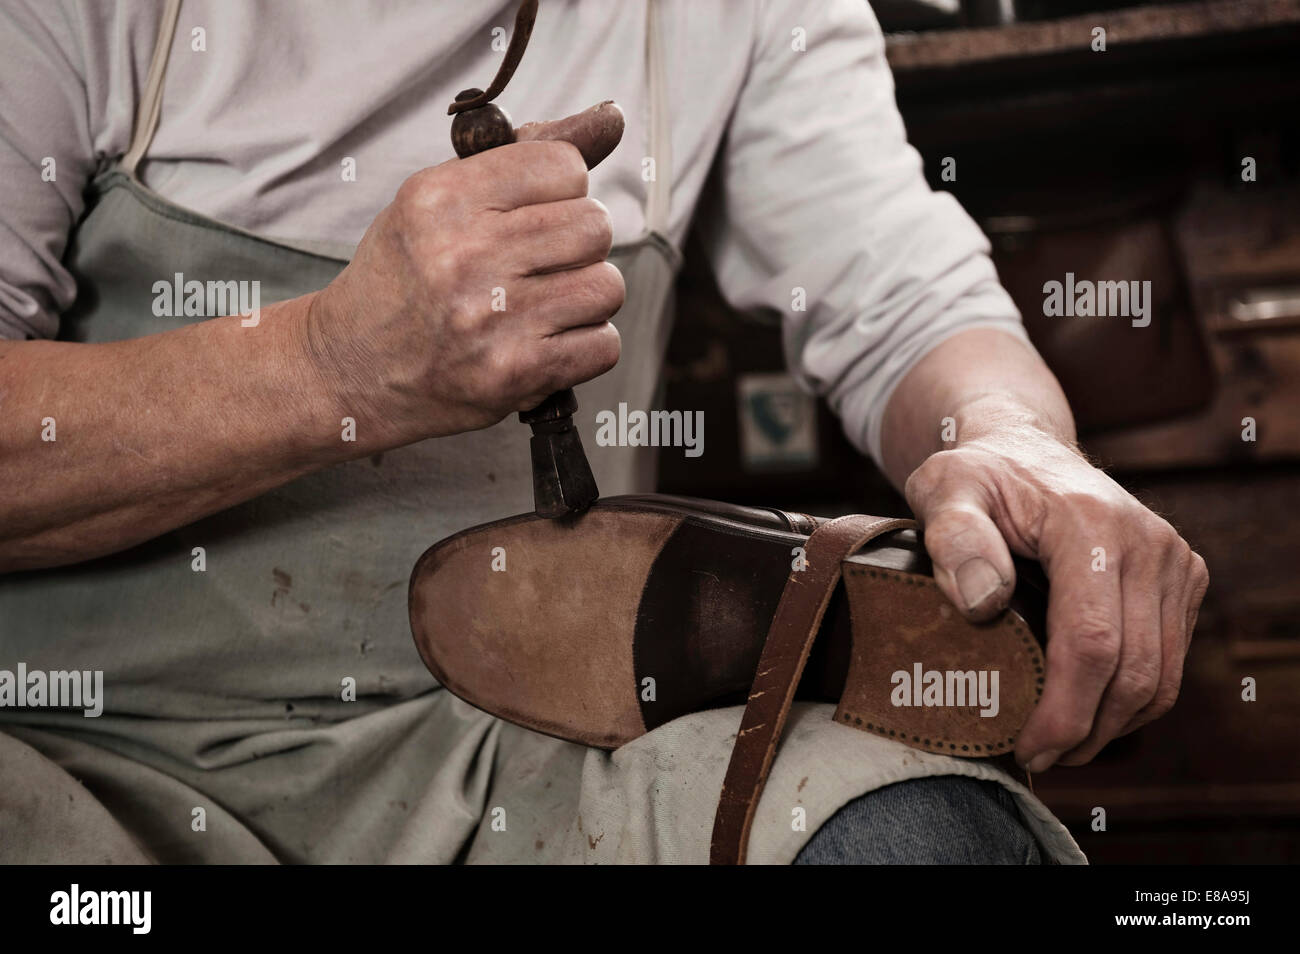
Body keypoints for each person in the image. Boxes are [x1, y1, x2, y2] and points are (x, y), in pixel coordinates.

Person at [0, 0, 1205, 864]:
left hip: (534, 743)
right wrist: (332, 368)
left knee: (912, 838)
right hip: (82, 756)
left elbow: (904, 300)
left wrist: (1015, 441)